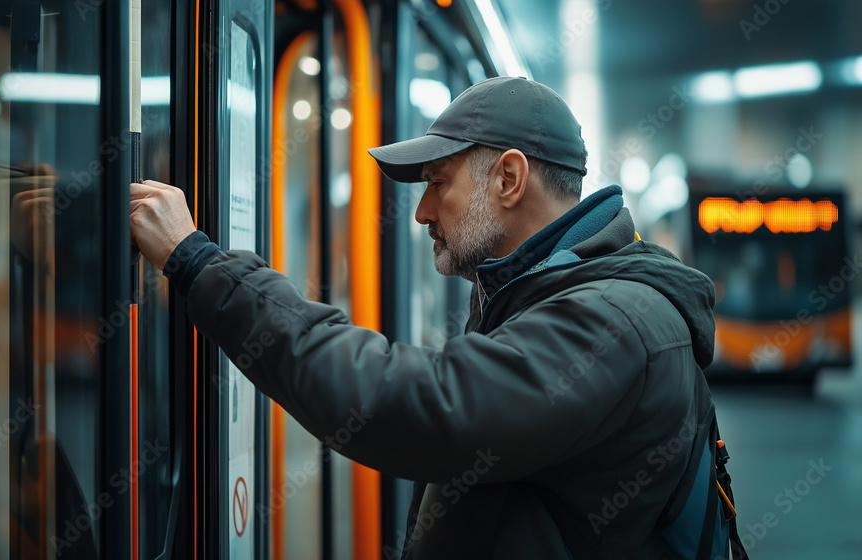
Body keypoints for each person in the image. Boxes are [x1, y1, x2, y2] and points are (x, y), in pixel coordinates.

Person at [129, 77, 740, 559]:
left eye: (437, 183)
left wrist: (200, 266)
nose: (421, 211)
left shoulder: (613, 321)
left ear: (509, 177)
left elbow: (421, 404)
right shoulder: (543, 295)